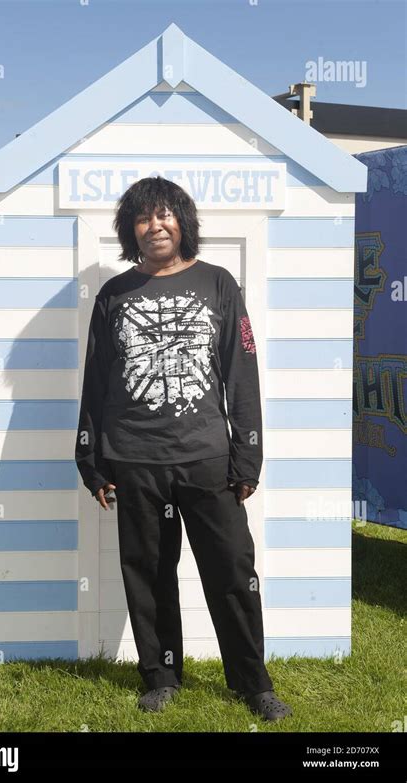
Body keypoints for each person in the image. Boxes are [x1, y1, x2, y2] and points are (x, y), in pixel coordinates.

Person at [75, 176, 292, 722]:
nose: (156, 226)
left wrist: (248, 456)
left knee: (232, 571)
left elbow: (242, 375)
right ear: (132, 229)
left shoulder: (219, 285)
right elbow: (96, 381)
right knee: (147, 573)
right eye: (144, 218)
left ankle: (253, 682)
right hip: (134, 458)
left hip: (207, 459)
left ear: (183, 222)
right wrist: (91, 459)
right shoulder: (114, 295)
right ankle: (161, 675)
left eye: (166, 215)